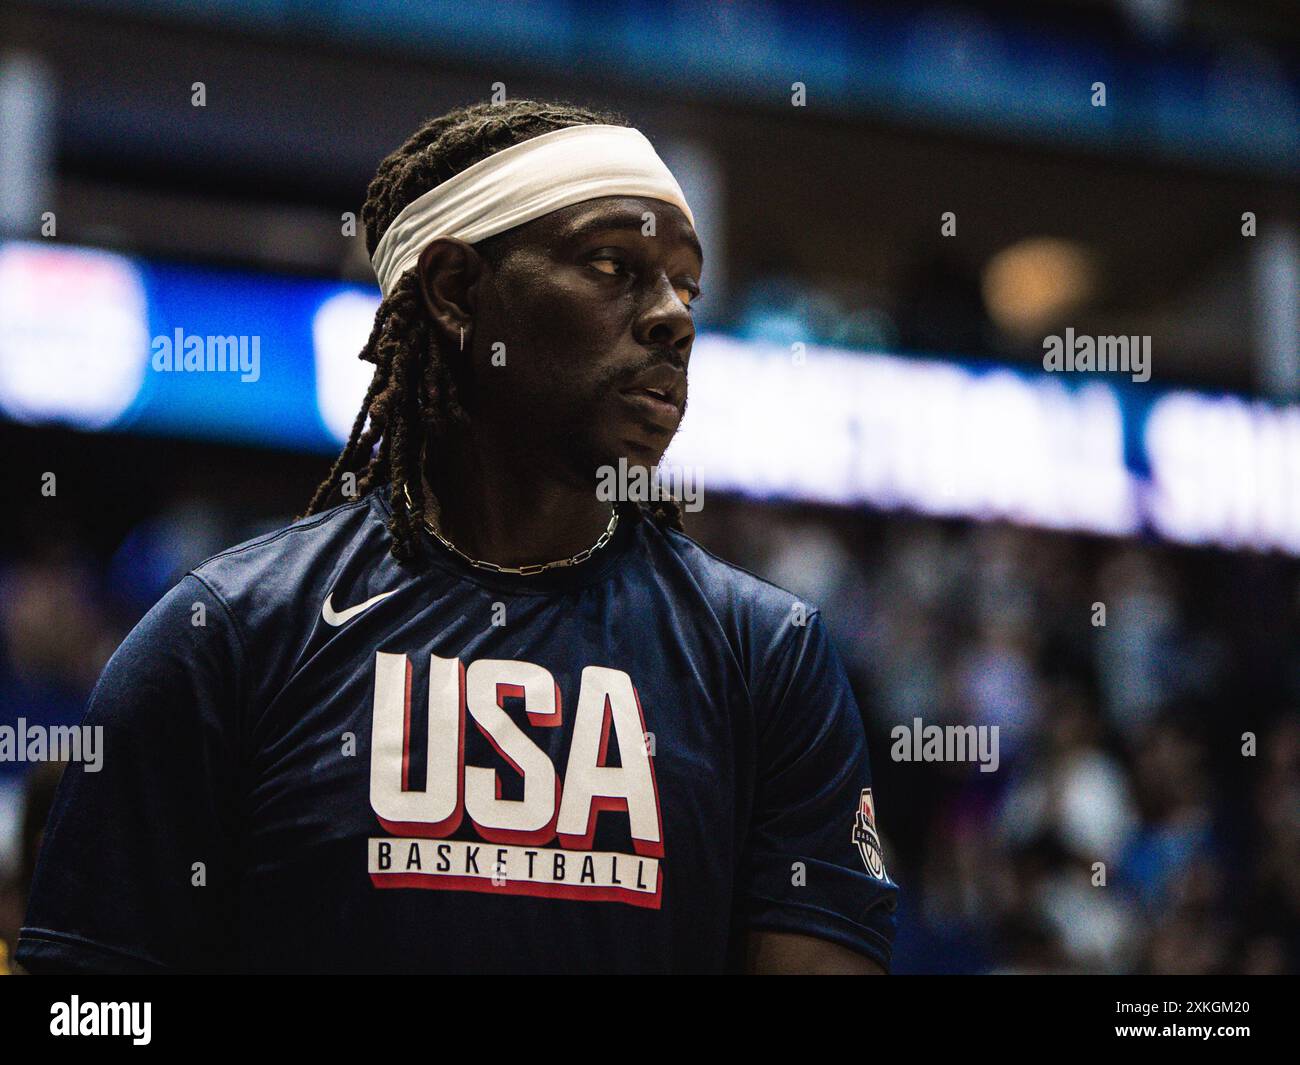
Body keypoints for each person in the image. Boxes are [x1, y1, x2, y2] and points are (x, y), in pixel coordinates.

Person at [18, 99, 898, 974]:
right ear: (455, 293)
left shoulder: (766, 658)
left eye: (685, 284)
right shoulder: (227, 637)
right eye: (612, 265)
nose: (674, 317)